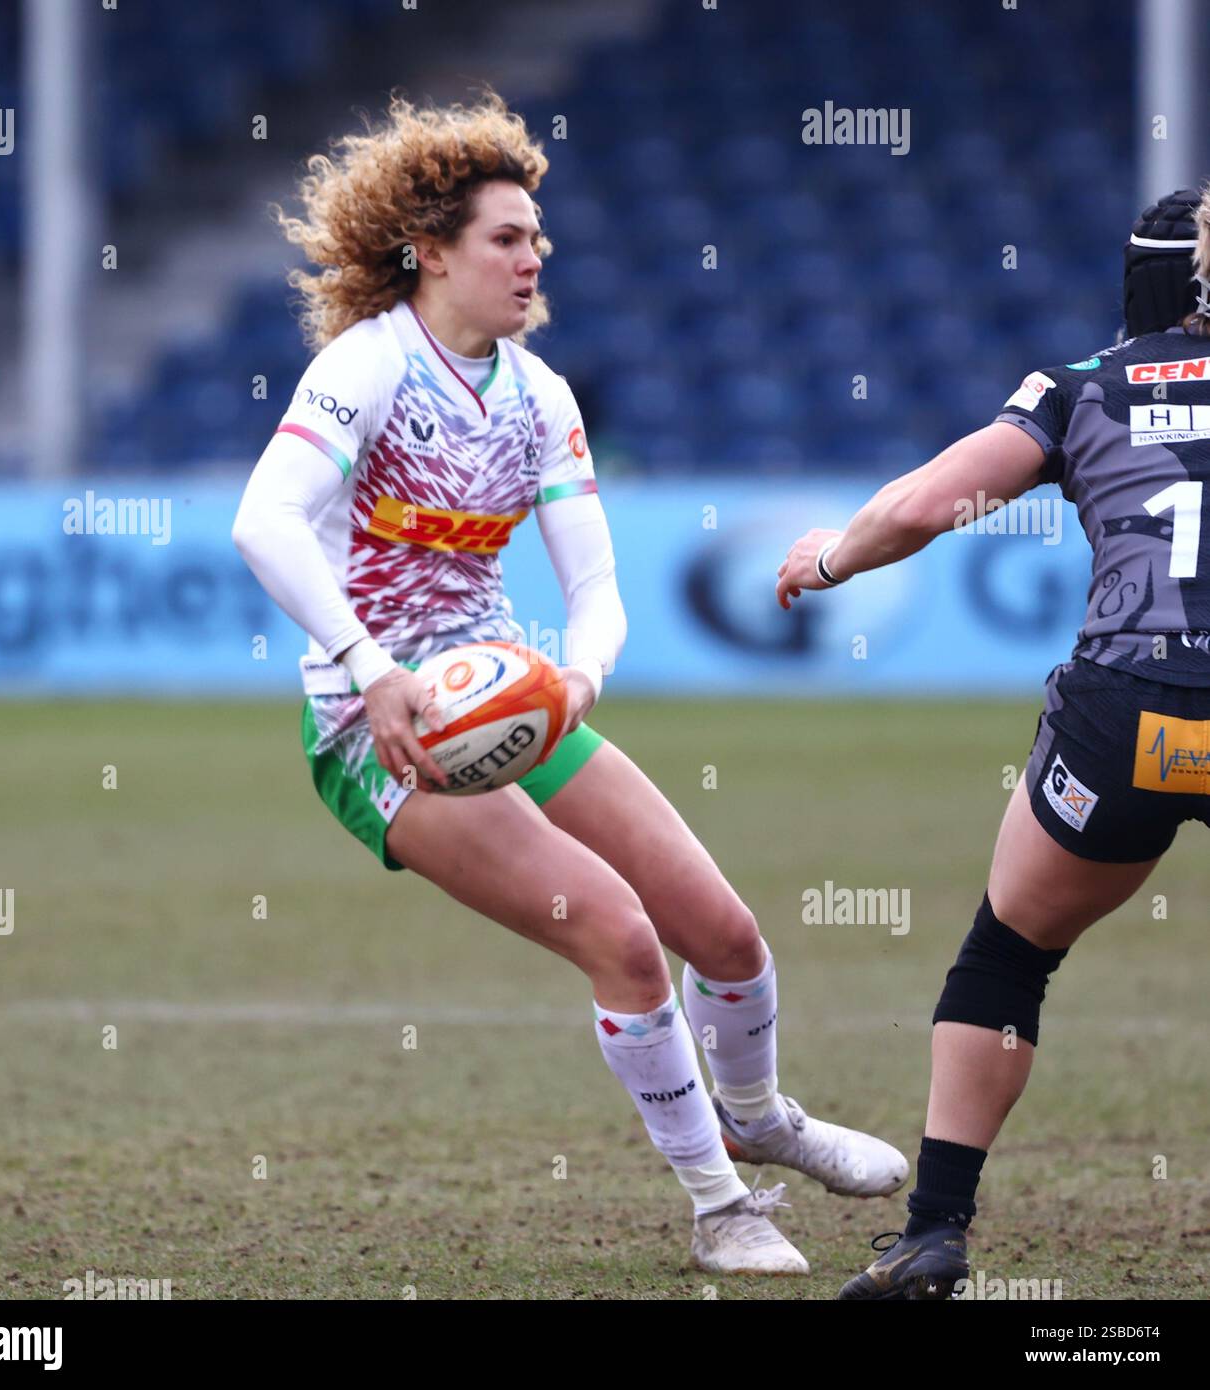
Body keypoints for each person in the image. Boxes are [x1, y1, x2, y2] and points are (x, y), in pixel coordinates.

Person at [232, 89, 906, 1277]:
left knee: (727, 934)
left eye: (538, 236)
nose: (533, 255)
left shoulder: (540, 396)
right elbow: (264, 522)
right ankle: (720, 1206)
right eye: (507, 236)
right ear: (429, 252)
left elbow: (596, 587)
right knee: (624, 937)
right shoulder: (368, 364)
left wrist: (580, 677)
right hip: (376, 727)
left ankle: (759, 1115)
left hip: (508, 694)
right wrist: (370, 668)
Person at [776, 187, 1210, 1299]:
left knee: (1009, 953)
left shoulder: (1081, 388)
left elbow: (926, 506)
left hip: (1135, 715)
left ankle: (933, 1236)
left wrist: (827, 561)